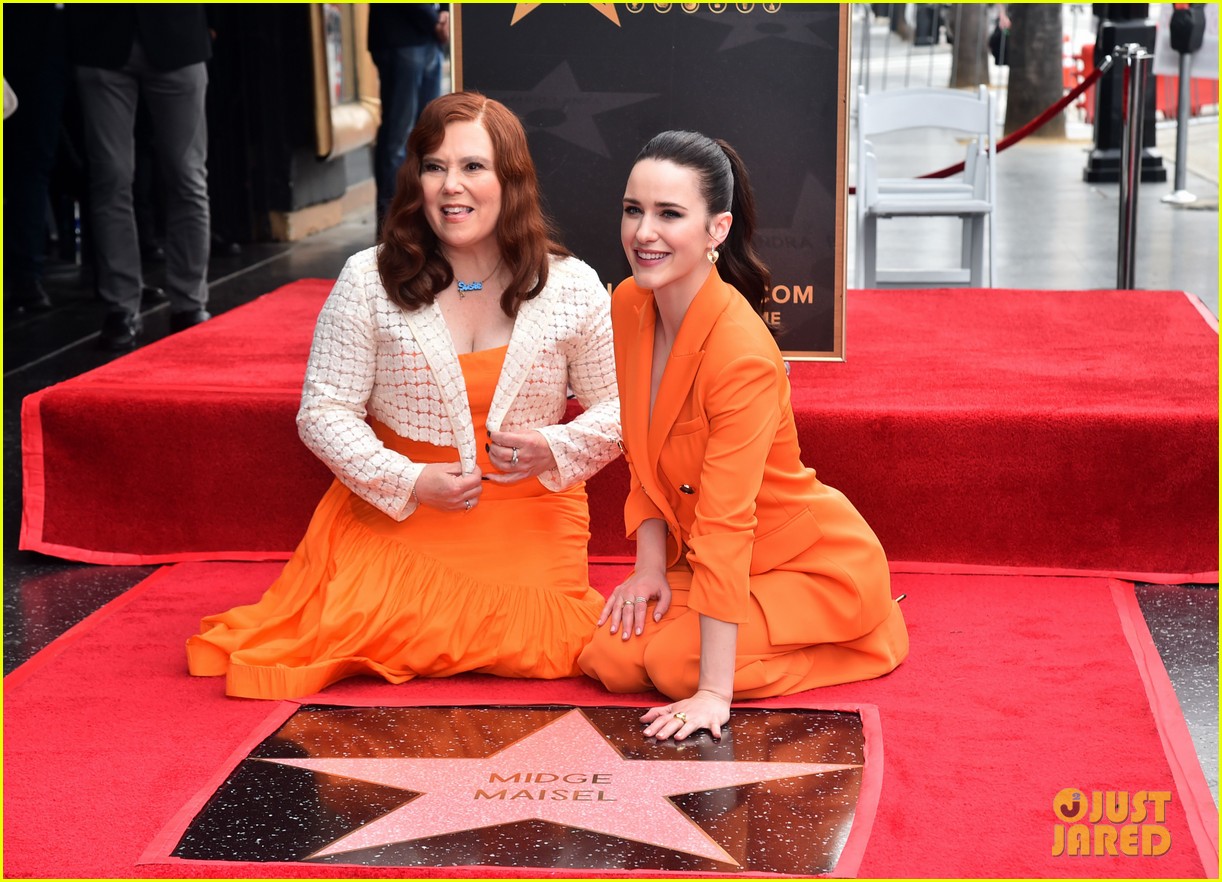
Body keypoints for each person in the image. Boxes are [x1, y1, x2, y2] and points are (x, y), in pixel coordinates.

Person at [187, 92, 621, 700]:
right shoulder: (369, 277)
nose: (451, 186)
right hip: (401, 508)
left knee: (550, 648)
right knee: (376, 630)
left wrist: (556, 445)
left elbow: (621, 408)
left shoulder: (570, 284)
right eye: (434, 166)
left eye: (473, 167)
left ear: (512, 180)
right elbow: (324, 411)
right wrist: (410, 481)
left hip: (528, 510)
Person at [578, 131, 909, 740]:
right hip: (716, 561)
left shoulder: (741, 353)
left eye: (669, 214)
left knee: (675, 667)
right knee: (610, 658)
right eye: (633, 210)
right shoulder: (627, 303)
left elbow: (727, 520)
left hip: (808, 567)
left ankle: (869, 636)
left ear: (717, 228)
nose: (643, 233)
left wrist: (713, 692)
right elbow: (644, 459)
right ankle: (710, 645)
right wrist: (649, 567)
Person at [66, 5, 212, 350]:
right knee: (110, 178)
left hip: (180, 34)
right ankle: (121, 306)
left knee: (187, 175)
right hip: (99, 38)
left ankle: (190, 303)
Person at [368, 3, 448, 236]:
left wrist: (445, 11)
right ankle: (392, 226)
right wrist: (434, 19)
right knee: (397, 138)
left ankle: (419, 220)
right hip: (401, 35)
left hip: (430, 38)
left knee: (429, 136)